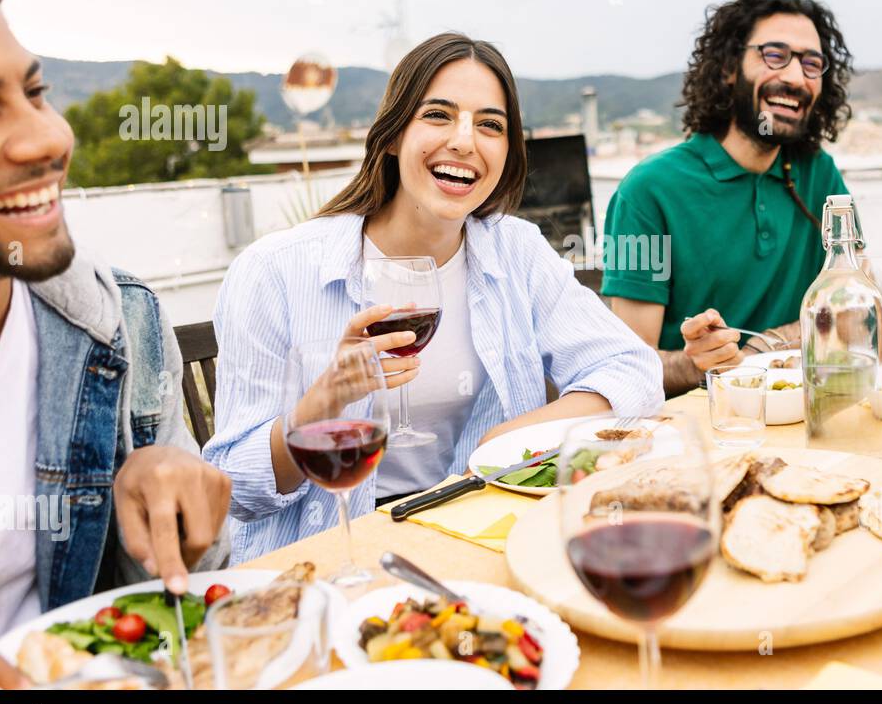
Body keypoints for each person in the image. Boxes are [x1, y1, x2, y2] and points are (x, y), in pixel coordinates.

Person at [204, 33, 662, 563]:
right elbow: (233, 486)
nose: (465, 142)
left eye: (490, 125)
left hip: (478, 537)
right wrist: (319, 406)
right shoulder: (274, 272)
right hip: (327, 561)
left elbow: (632, 367)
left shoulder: (516, 250)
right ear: (394, 135)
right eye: (439, 115)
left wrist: (511, 436)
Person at [0, 0, 230, 685]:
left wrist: (171, 500)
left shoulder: (119, 324)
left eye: (35, 92)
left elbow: (191, 613)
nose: (49, 139)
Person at [602, 0, 855, 396]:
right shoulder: (647, 191)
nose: (794, 77)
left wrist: (762, 346)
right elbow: (627, 366)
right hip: (696, 433)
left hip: (805, 415)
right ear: (728, 68)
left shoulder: (819, 173)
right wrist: (697, 362)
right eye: (774, 55)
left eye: (812, 64)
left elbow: (855, 306)